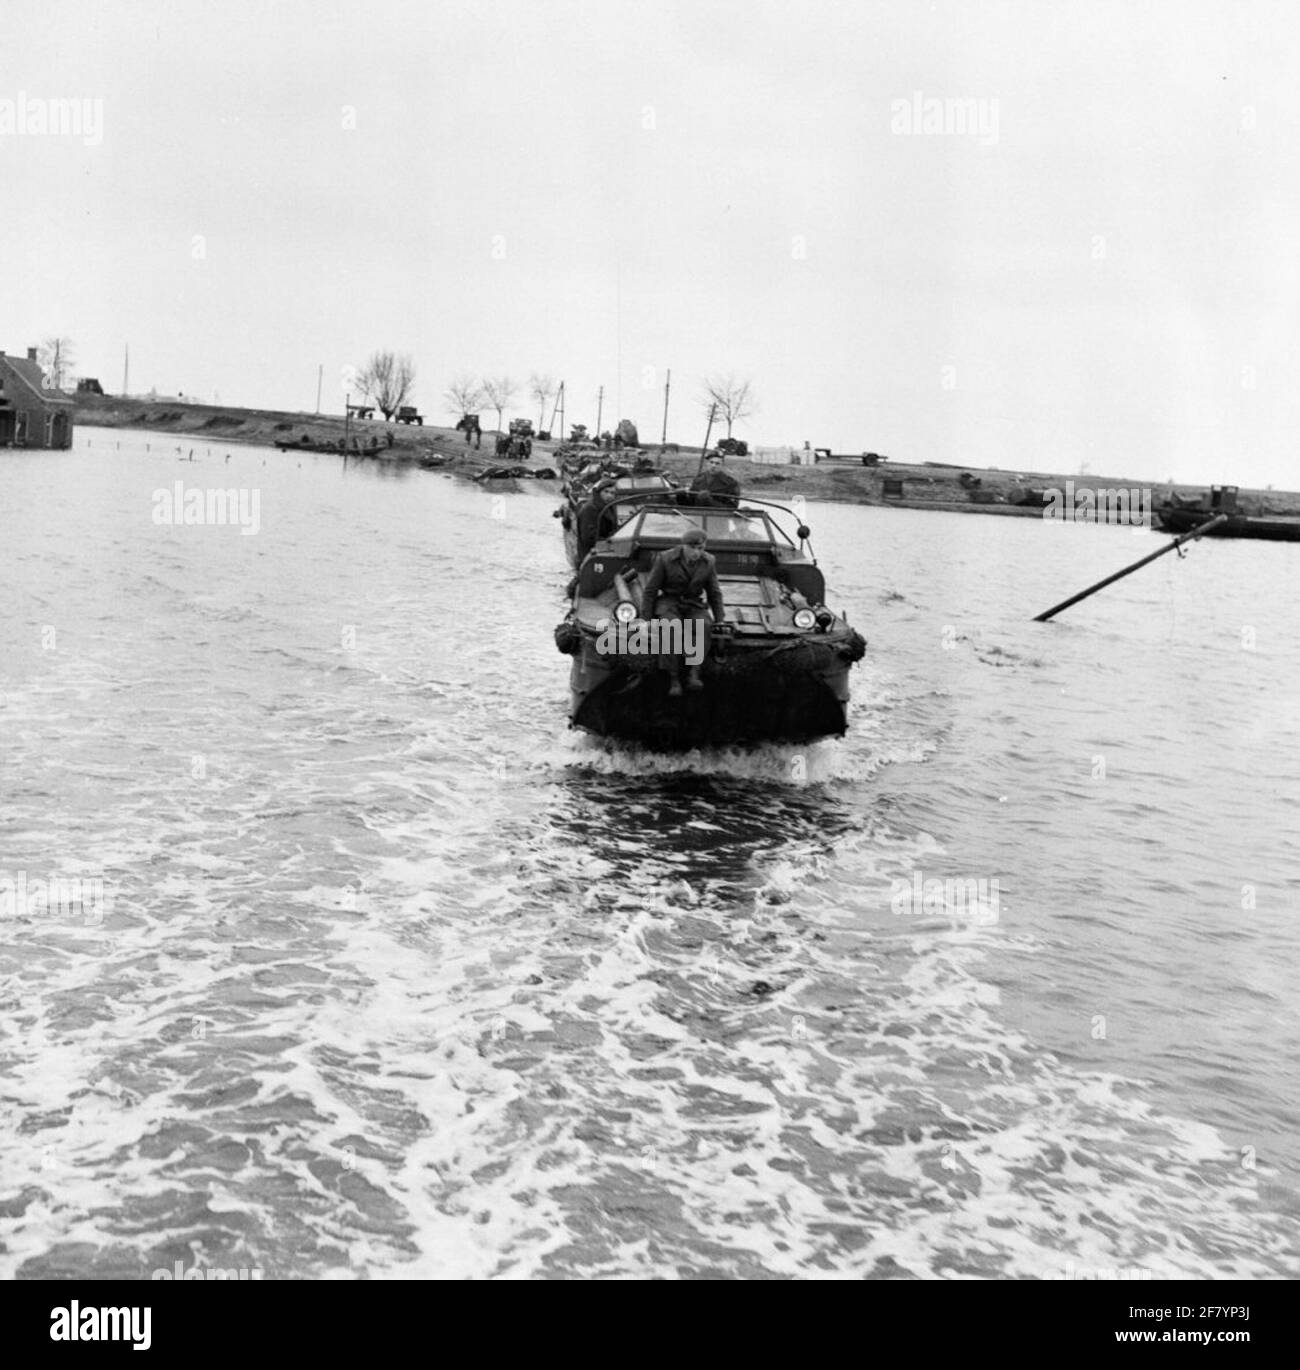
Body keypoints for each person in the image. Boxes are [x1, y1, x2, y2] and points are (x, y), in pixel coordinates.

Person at [638, 527, 725, 696]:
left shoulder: (709, 562)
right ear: (684, 546)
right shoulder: (665, 559)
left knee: (704, 625)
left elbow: (714, 592)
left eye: (701, 549)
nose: (697, 553)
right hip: (670, 602)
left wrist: (720, 618)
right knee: (670, 626)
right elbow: (650, 590)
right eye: (693, 548)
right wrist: (645, 620)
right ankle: (674, 678)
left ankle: (694, 672)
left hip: (694, 604)